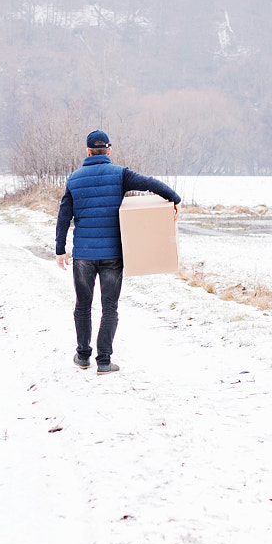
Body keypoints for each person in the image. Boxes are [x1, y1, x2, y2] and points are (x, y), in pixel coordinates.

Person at [55, 130, 181, 374]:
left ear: (88, 151)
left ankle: (82, 356)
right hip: (113, 255)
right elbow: (150, 184)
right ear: (109, 151)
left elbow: (63, 217)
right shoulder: (121, 175)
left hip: (83, 255)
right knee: (109, 307)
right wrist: (174, 199)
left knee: (83, 305)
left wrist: (61, 249)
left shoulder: (74, 179)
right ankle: (104, 361)